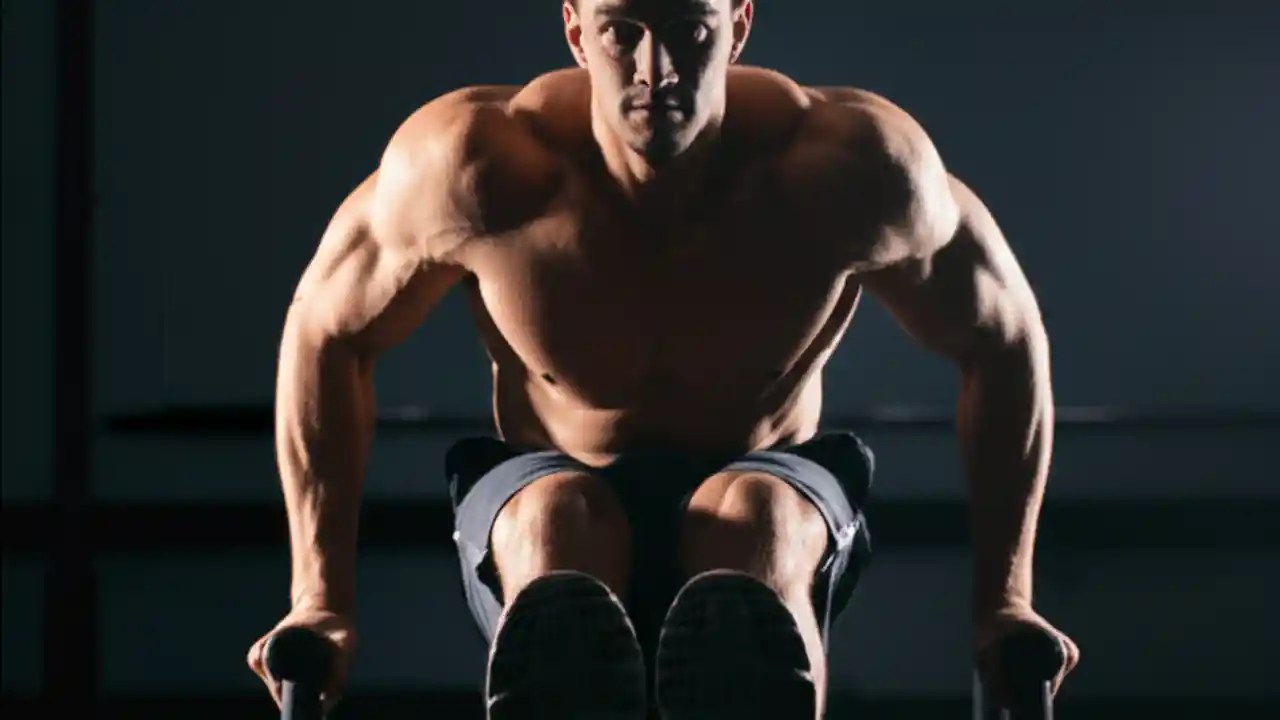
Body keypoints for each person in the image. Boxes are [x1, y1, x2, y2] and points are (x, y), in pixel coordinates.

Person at [246, 0, 1081, 717]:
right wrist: (320, 598)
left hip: (768, 472)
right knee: (556, 524)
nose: (657, 69)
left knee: (755, 520)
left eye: (689, 30)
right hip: (551, 476)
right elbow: (327, 329)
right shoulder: (475, 167)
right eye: (622, 30)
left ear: (738, 25)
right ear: (576, 30)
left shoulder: (849, 168)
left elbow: (1002, 334)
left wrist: (1005, 600)